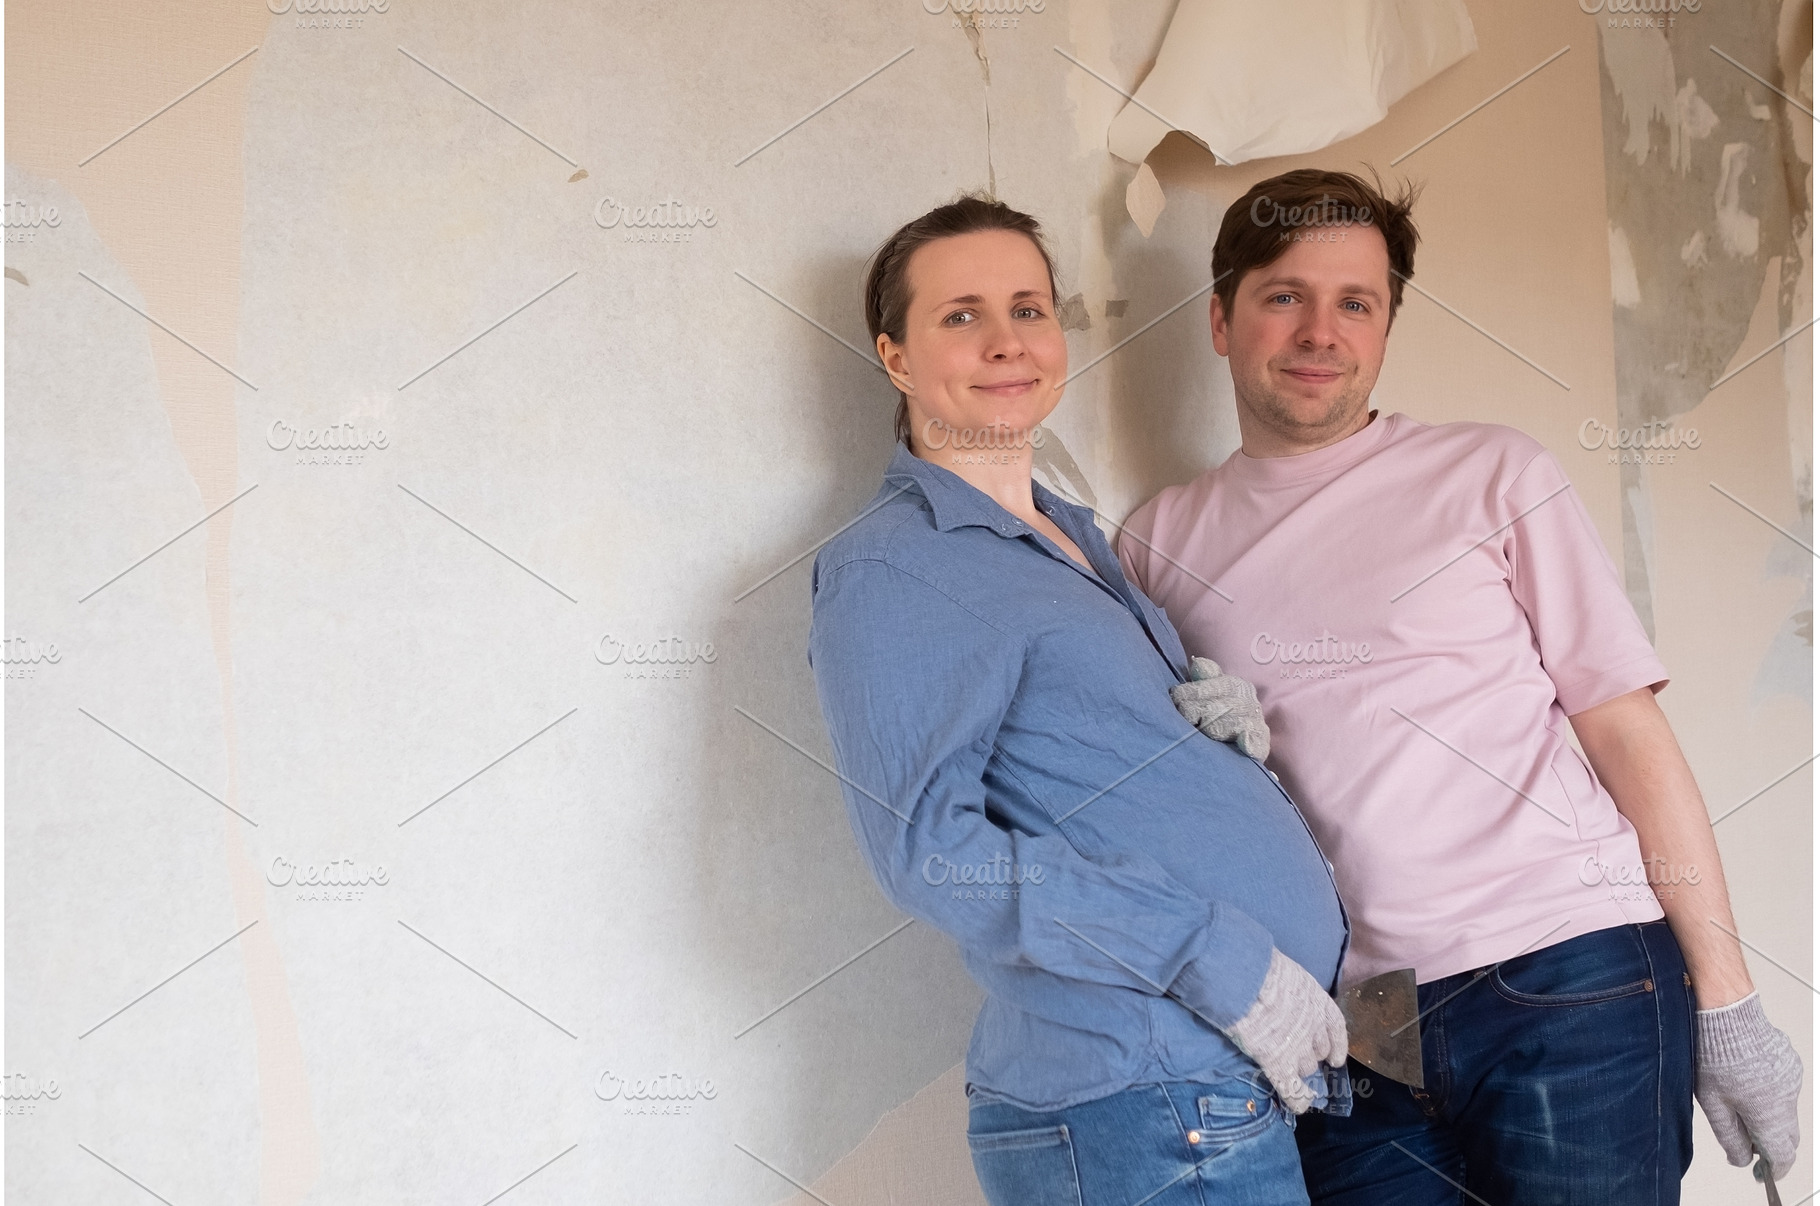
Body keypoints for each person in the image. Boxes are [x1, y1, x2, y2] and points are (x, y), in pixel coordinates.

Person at [1116, 167, 1803, 1205]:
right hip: (1351, 1026)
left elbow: (1623, 732)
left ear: (1386, 326)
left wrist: (1726, 1000)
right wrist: (1232, 763)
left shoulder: (1489, 476)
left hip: (1570, 975)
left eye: (1355, 302)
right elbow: (1150, 794)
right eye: (1283, 296)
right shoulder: (1154, 543)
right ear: (1220, 319)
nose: (1319, 331)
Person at [806, 193, 1350, 1206]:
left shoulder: (1071, 537)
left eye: (1028, 308)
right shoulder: (896, 565)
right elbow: (930, 854)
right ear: (893, 356)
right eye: (960, 315)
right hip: (1138, 1097)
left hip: (1199, 1085)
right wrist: (1214, 954)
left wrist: (1223, 756)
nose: (1006, 340)